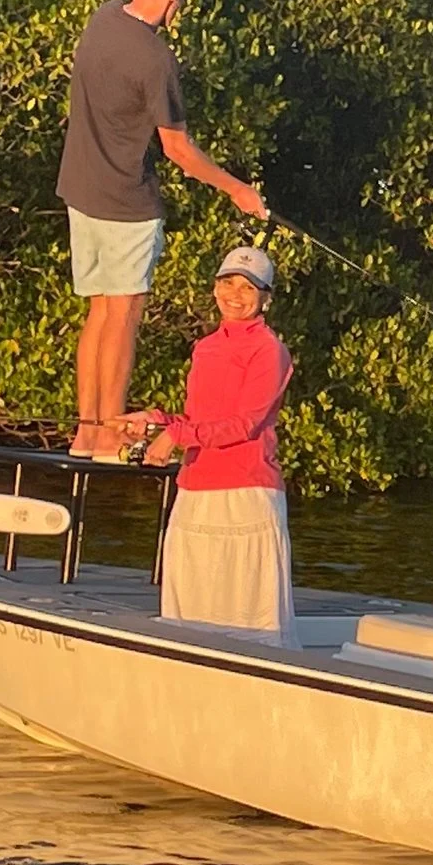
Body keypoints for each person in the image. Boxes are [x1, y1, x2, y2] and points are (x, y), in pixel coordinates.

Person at [58, 0, 267, 459]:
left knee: (99, 314)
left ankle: (87, 431)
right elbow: (178, 150)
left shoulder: (102, 19)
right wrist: (238, 189)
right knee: (123, 318)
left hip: (80, 193)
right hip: (127, 202)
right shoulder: (156, 58)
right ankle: (105, 433)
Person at [132, 246, 296, 644]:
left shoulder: (269, 350)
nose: (235, 294)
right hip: (196, 486)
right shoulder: (205, 347)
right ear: (214, 287)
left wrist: (178, 435)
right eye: (227, 283)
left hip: (246, 489)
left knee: (247, 610)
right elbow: (199, 419)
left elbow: (245, 423)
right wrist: (156, 421)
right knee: (189, 603)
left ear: (265, 299)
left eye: (247, 287)